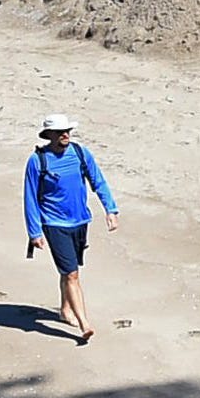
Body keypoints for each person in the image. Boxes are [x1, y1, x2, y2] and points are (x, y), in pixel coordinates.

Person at [23, 113, 118, 343]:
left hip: (80, 221)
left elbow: (98, 181)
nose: (65, 135)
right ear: (49, 135)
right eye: (60, 132)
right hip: (54, 224)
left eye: (67, 130)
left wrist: (110, 209)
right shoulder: (37, 161)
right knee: (72, 274)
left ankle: (66, 310)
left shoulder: (80, 153)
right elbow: (30, 198)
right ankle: (84, 324)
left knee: (71, 270)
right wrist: (34, 232)